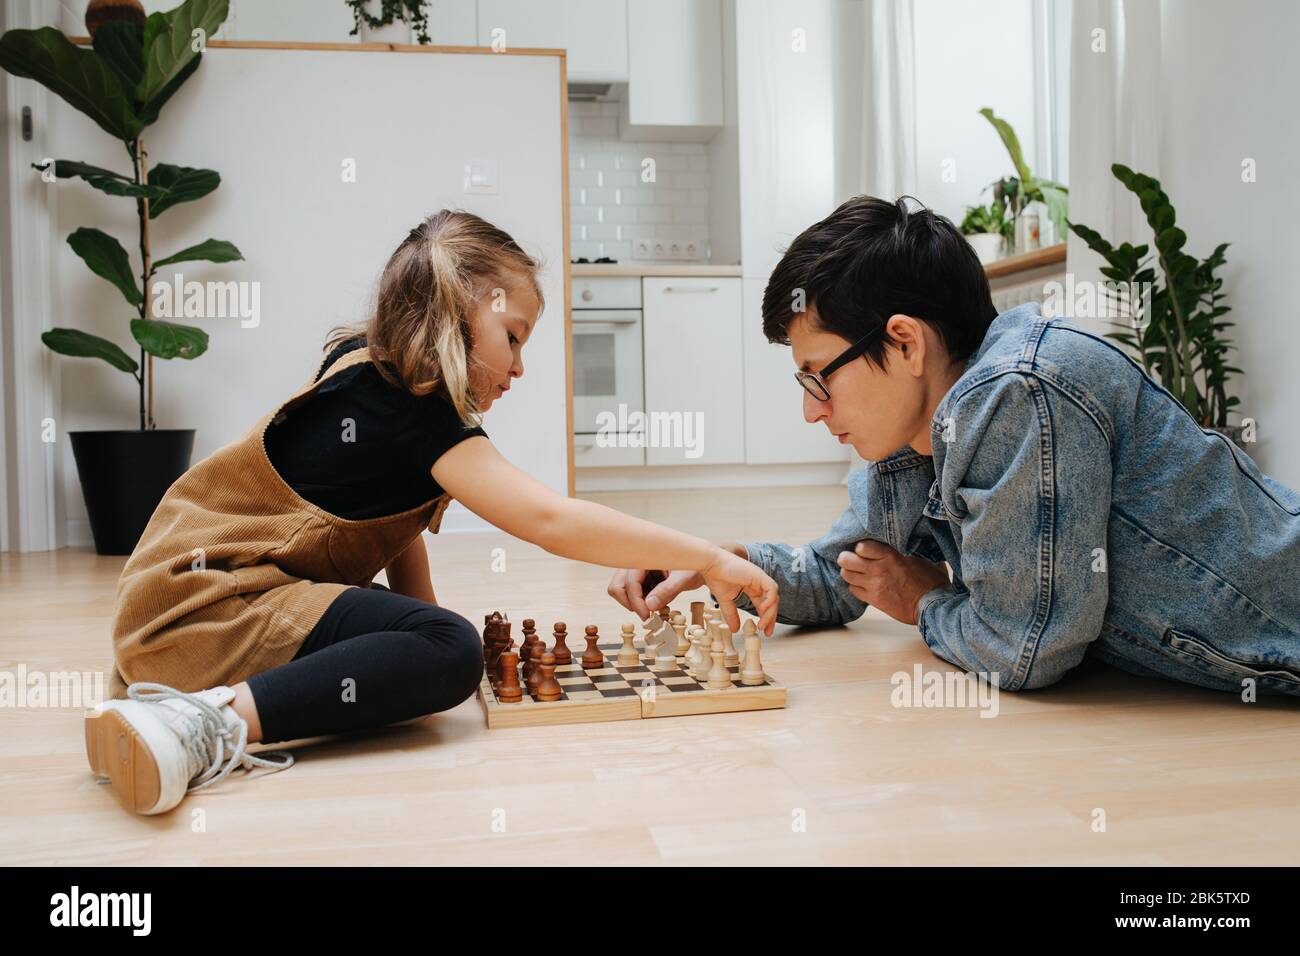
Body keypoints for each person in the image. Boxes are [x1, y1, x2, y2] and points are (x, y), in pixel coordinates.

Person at [88, 209, 778, 816]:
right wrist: (708, 555)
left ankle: (181, 707)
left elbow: (392, 522)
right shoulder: (416, 414)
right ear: (459, 310)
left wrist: (420, 635)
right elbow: (551, 521)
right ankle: (201, 727)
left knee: (446, 647)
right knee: (451, 651)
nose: (518, 369)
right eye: (514, 336)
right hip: (203, 605)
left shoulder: (376, 375)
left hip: (181, 605)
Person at [609, 194, 1300, 699]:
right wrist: (715, 562)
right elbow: (840, 575)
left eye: (820, 377)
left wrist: (924, 604)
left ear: (905, 342)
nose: (810, 411)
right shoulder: (915, 438)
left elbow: (1025, 651)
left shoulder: (1018, 392)